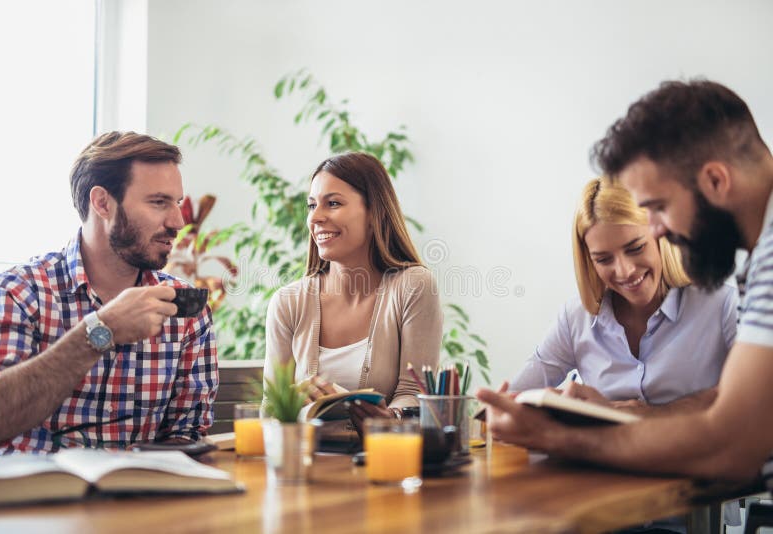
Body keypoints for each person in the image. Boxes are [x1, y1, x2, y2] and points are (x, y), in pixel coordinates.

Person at [477, 79, 773, 489]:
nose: (658, 230)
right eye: (603, 258)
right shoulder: (760, 264)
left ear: (716, 181)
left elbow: (732, 443)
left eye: (659, 208)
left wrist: (559, 437)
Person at [0, 132, 218, 455]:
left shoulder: (185, 309)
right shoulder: (18, 293)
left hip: (140, 486)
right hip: (32, 486)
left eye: (178, 203)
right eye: (159, 202)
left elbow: (187, 434)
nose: (178, 221)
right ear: (102, 203)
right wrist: (100, 332)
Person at [511, 177, 737, 413]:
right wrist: (557, 408)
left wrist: (648, 415)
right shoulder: (575, 318)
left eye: (636, 248)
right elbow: (513, 398)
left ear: (661, 236)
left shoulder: (723, 306)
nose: (625, 271)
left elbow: (754, 399)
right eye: (603, 259)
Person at [264, 152, 442, 434]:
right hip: (305, 458)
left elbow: (414, 393)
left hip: (382, 455)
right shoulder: (288, 302)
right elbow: (269, 410)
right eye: (312, 205)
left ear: (373, 213)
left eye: (333, 203)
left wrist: (391, 418)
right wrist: (292, 405)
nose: (316, 217)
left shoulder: (413, 286)